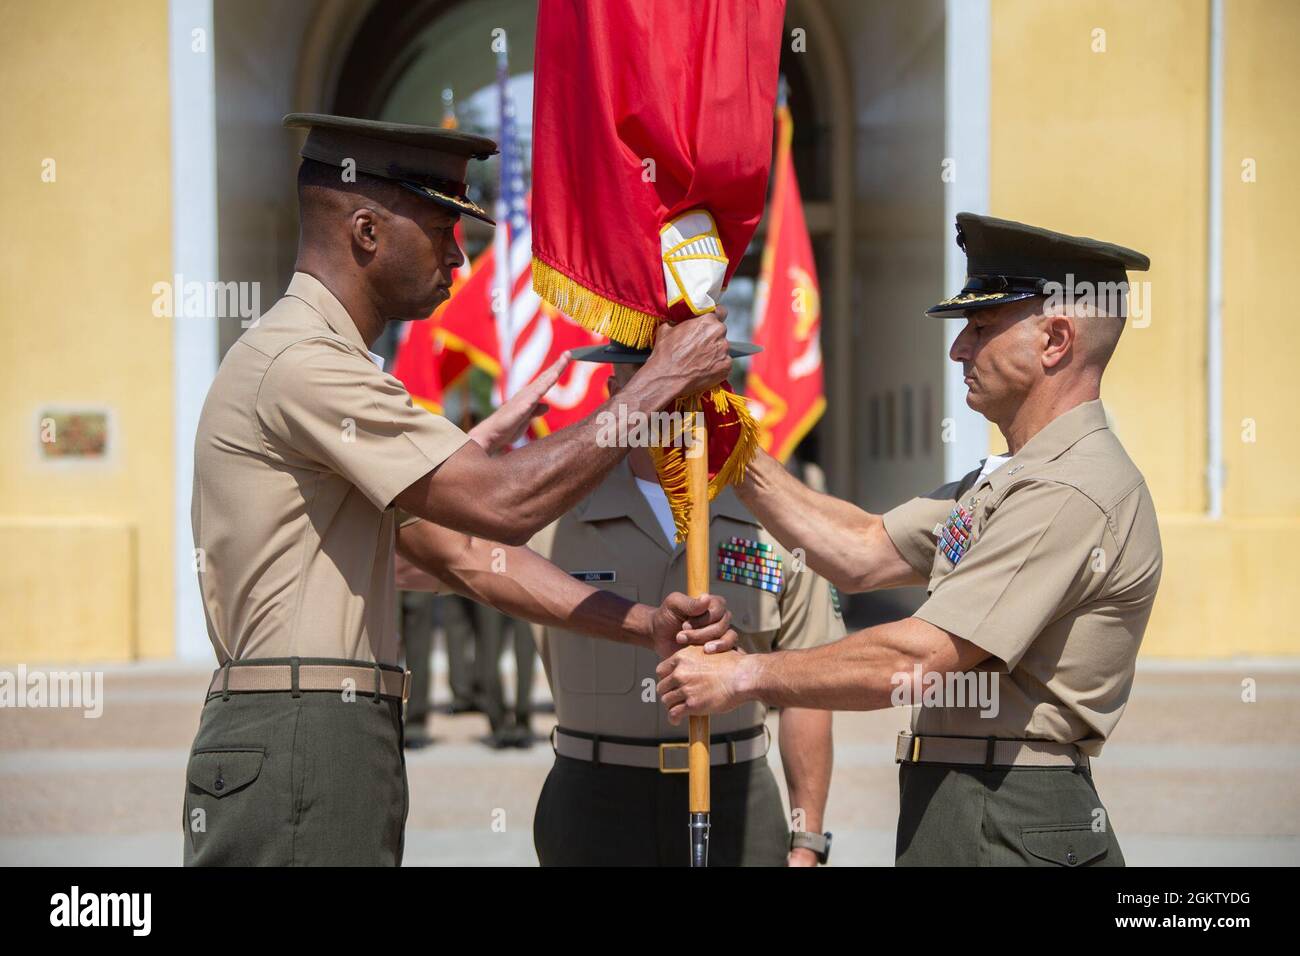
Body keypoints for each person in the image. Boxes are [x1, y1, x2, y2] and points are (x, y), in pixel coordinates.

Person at [184, 113, 737, 866]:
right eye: (443, 230)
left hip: (320, 727)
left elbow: (471, 557)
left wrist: (645, 625)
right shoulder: (305, 364)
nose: (459, 258)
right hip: (301, 730)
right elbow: (500, 505)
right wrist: (661, 381)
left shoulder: (319, 363)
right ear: (367, 231)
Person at [656, 213, 1162, 867]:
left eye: (980, 328)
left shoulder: (1068, 490)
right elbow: (860, 550)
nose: (959, 351)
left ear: (1056, 340)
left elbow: (917, 658)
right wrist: (730, 435)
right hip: (975, 795)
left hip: (1009, 804)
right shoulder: (1017, 478)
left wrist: (744, 674)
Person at [527, 355, 842, 866]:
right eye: (649, 377)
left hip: (737, 795)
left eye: (692, 375)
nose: (673, 391)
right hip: (595, 802)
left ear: (724, 389)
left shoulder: (779, 517)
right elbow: (447, 554)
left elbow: (809, 689)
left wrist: (808, 842)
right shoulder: (553, 517)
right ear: (614, 392)